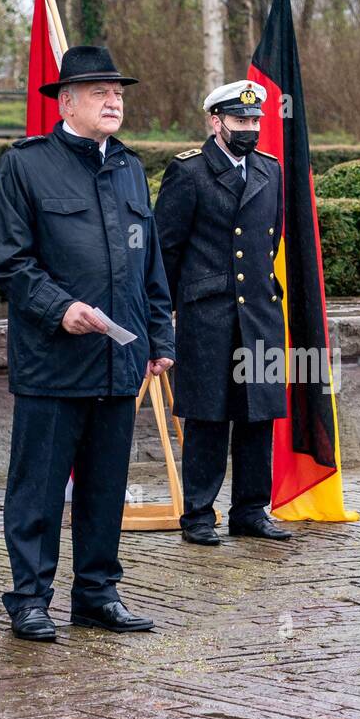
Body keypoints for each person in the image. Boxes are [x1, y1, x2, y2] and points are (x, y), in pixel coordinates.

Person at [0, 46, 175, 640]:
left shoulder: (130, 167)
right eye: (99, 92)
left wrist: (160, 335)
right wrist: (59, 308)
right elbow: (8, 263)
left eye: (118, 92)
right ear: (66, 101)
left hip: (120, 359)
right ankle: (30, 599)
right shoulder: (25, 166)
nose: (114, 100)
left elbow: (151, 264)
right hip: (54, 361)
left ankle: (97, 593)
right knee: (39, 486)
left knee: (104, 485)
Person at [153, 80, 291, 546]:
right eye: (240, 120)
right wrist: (161, 317)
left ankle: (251, 510)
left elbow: (268, 243)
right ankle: (197, 514)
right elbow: (165, 250)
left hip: (259, 311)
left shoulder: (270, 171)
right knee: (209, 415)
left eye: (255, 120)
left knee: (258, 415)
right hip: (208, 314)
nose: (250, 128)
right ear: (216, 122)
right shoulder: (188, 172)